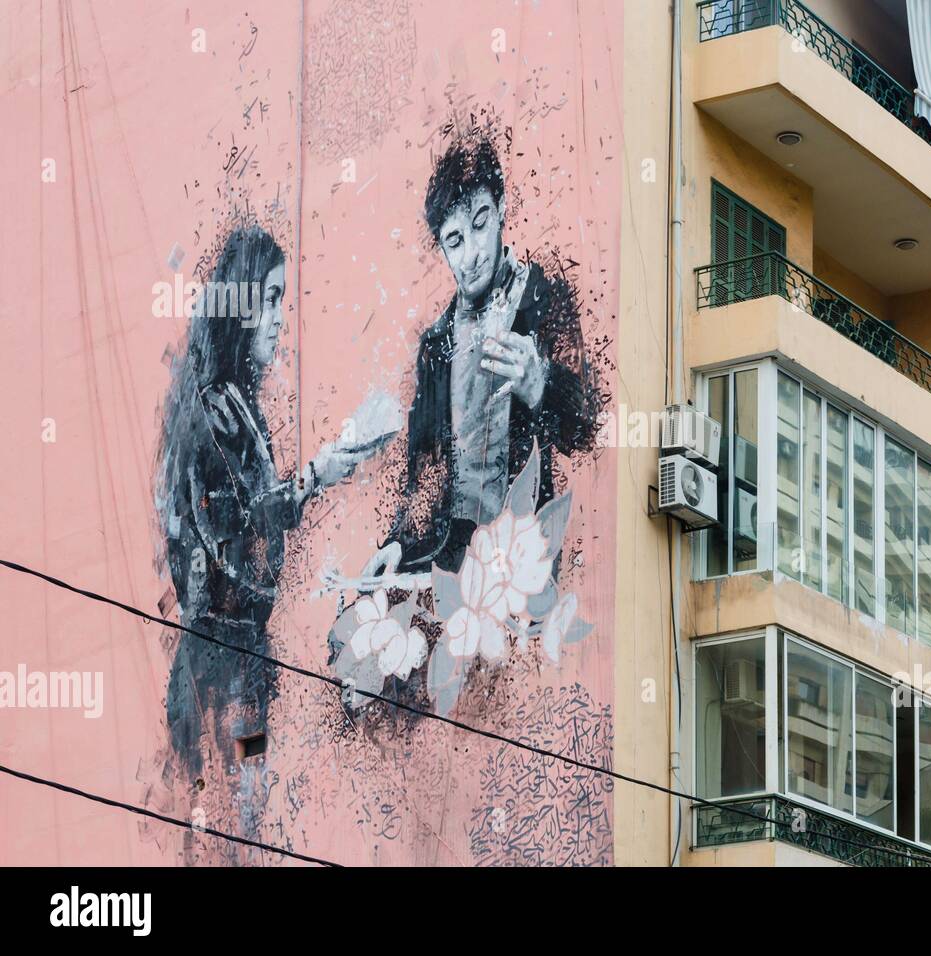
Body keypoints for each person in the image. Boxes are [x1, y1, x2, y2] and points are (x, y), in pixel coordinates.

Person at [157, 225, 374, 774]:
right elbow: (241, 525)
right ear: (242, 302)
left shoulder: (239, 407)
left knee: (250, 788)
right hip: (219, 663)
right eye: (271, 299)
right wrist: (314, 476)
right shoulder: (216, 411)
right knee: (233, 805)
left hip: (244, 660)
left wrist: (312, 478)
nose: (280, 319)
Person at [364, 133, 601, 579]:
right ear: (442, 248)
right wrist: (398, 542)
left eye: (480, 223)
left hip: (520, 561)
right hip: (449, 561)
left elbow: (588, 425)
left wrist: (542, 384)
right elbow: (425, 472)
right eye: (454, 240)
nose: (471, 254)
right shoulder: (435, 346)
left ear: (502, 208)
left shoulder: (542, 298)